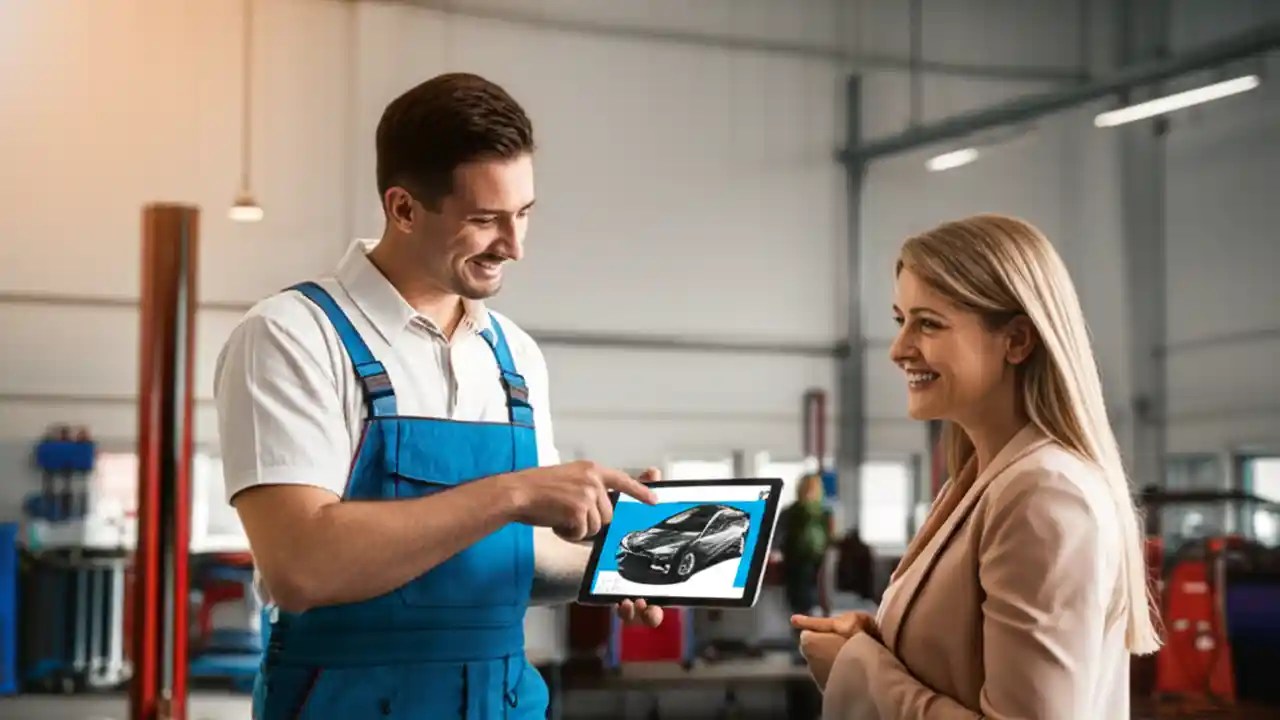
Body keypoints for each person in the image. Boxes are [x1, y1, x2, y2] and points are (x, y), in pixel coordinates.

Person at [214, 73, 663, 720]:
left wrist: (615, 559)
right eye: (485, 220)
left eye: (525, 214)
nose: (515, 246)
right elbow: (299, 566)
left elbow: (510, 559)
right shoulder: (292, 336)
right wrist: (512, 493)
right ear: (402, 208)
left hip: (502, 702)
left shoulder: (514, 358)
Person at [792, 214, 1161, 719]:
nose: (900, 350)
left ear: (1016, 340)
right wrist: (879, 644)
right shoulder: (981, 483)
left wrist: (858, 671)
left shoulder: (1043, 495)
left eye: (929, 323)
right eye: (901, 321)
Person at [780, 473, 834, 620]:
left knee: (808, 597)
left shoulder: (822, 512)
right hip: (803, 561)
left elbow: (830, 536)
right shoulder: (796, 511)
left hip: (810, 560)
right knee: (804, 597)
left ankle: (807, 623)